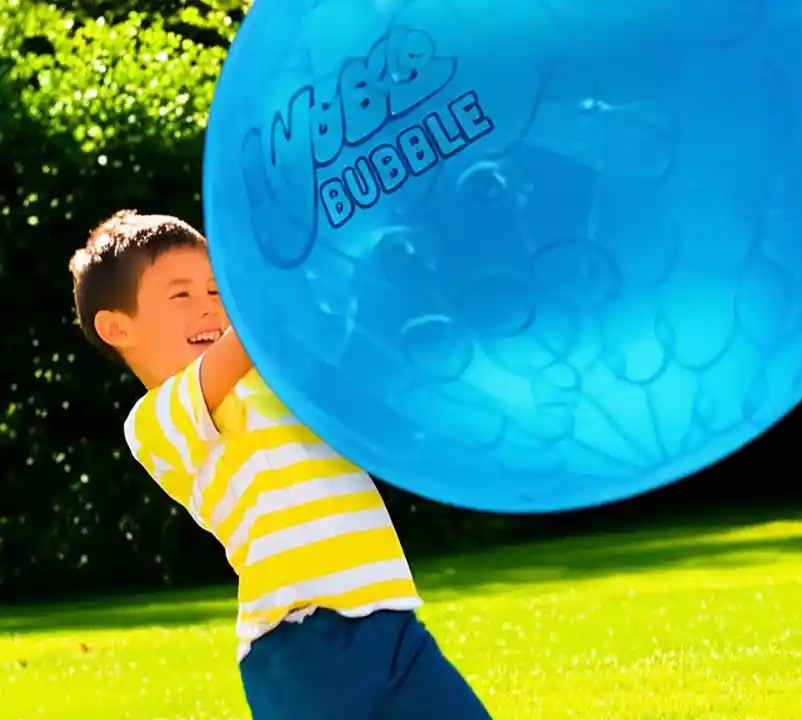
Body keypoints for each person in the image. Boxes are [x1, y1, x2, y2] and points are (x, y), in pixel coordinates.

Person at [68, 210, 493, 719]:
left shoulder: (280, 379)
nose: (210, 307)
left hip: (392, 617)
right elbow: (245, 343)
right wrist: (281, 284)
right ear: (117, 327)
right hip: (299, 644)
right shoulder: (156, 421)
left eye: (215, 289)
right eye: (181, 295)